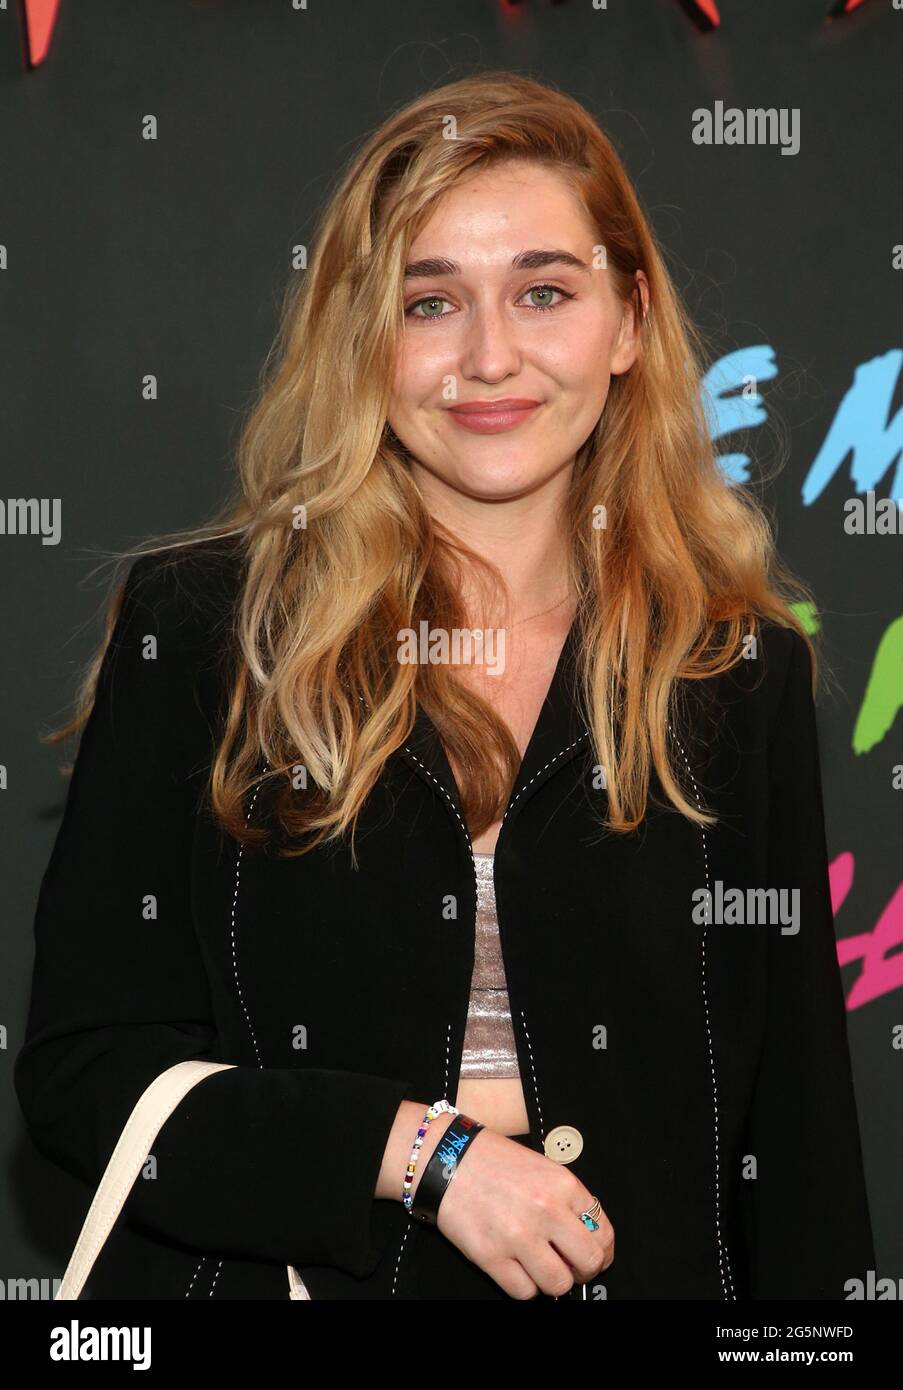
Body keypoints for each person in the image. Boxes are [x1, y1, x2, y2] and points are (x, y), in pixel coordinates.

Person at [15, 72, 874, 1300]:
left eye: (543, 291)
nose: (489, 357)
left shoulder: (731, 666)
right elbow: (84, 1072)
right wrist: (423, 1154)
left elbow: (794, 1132)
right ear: (367, 338)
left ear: (628, 321)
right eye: (430, 302)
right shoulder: (208, 628)